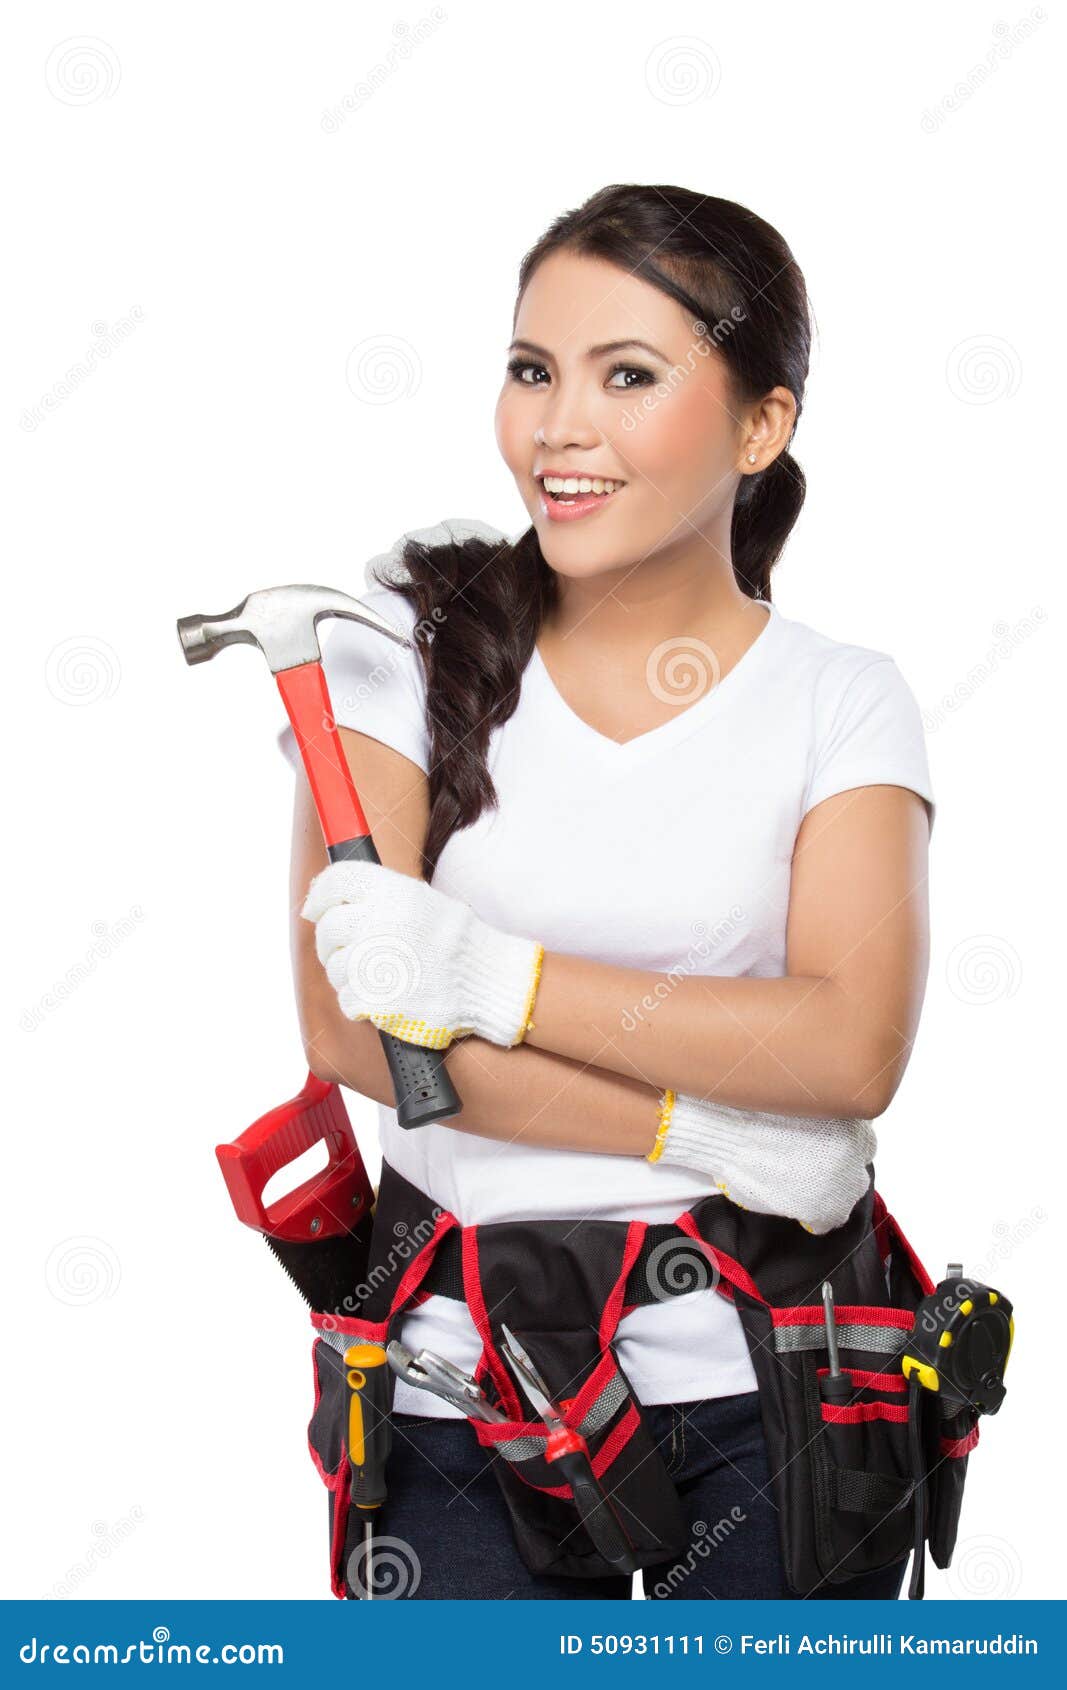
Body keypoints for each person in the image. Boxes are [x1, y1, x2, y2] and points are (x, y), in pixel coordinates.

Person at [281, 184, 934, 1599]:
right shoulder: (402, 648)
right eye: (532, 370)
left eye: (628, 376)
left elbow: (846, 1045)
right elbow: (359, 1038)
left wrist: (489, 981)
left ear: (762, 425)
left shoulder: (840, 701)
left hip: (771, 1385)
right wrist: (701, 1121)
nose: (558, 427)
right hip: (460, 1389)